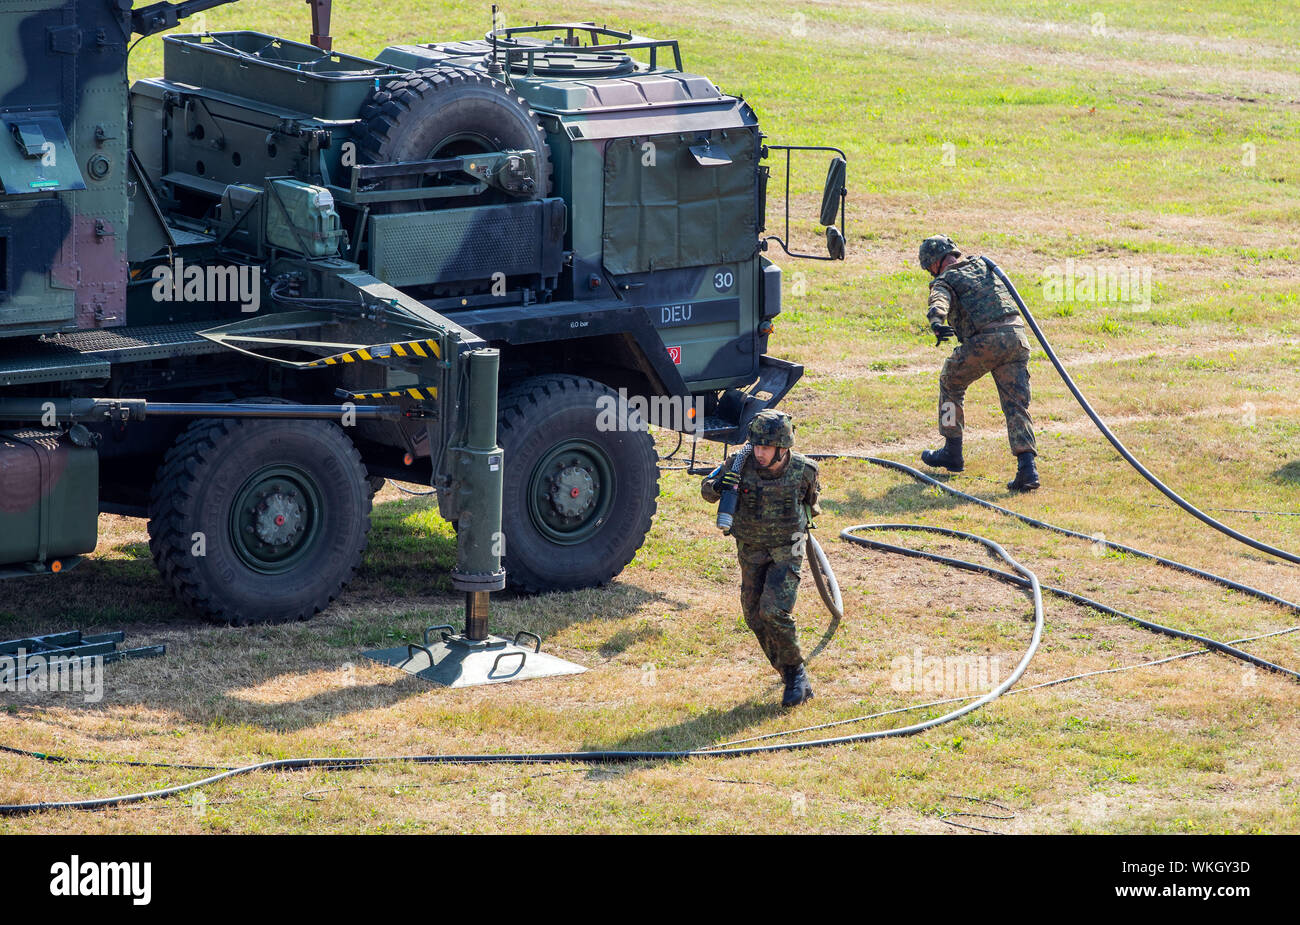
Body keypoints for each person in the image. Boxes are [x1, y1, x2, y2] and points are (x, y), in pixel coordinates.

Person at [701, 409, 821, 706]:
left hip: (786, 550)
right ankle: (786, 669)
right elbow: (706, 490)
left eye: (766, 448)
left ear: (783, 448)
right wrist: (720, 484)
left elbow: (811, 502)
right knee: (753, 615)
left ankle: (796, 674)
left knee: (773, 611)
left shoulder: (804, 470)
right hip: (751, 549)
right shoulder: (739, 464)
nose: (759, 453)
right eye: (756, 446)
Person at [918, 234, 1040, 491]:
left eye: (929, 267)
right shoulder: (983, 264)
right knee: (1016, 404)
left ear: (935, 262)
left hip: (987, 340)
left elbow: (939, 300)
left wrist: (936, 322)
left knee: (950, 380)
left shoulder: (945, 278)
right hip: (1017, 337)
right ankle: (1027, 469)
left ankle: (952, 450)